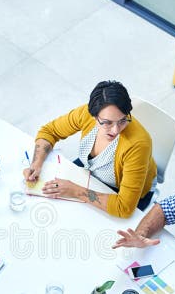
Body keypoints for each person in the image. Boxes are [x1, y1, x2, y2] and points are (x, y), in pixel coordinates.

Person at [23, 80, 157, 218]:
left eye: (123, 120)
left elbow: (124, 207)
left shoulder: (138, 145)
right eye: (107, 123)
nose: (116, 130)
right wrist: (37, 163)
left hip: (120, 190)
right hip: (89, 171)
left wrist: (75, 191)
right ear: (93, 116)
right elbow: (50, 131)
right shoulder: (85, 114)